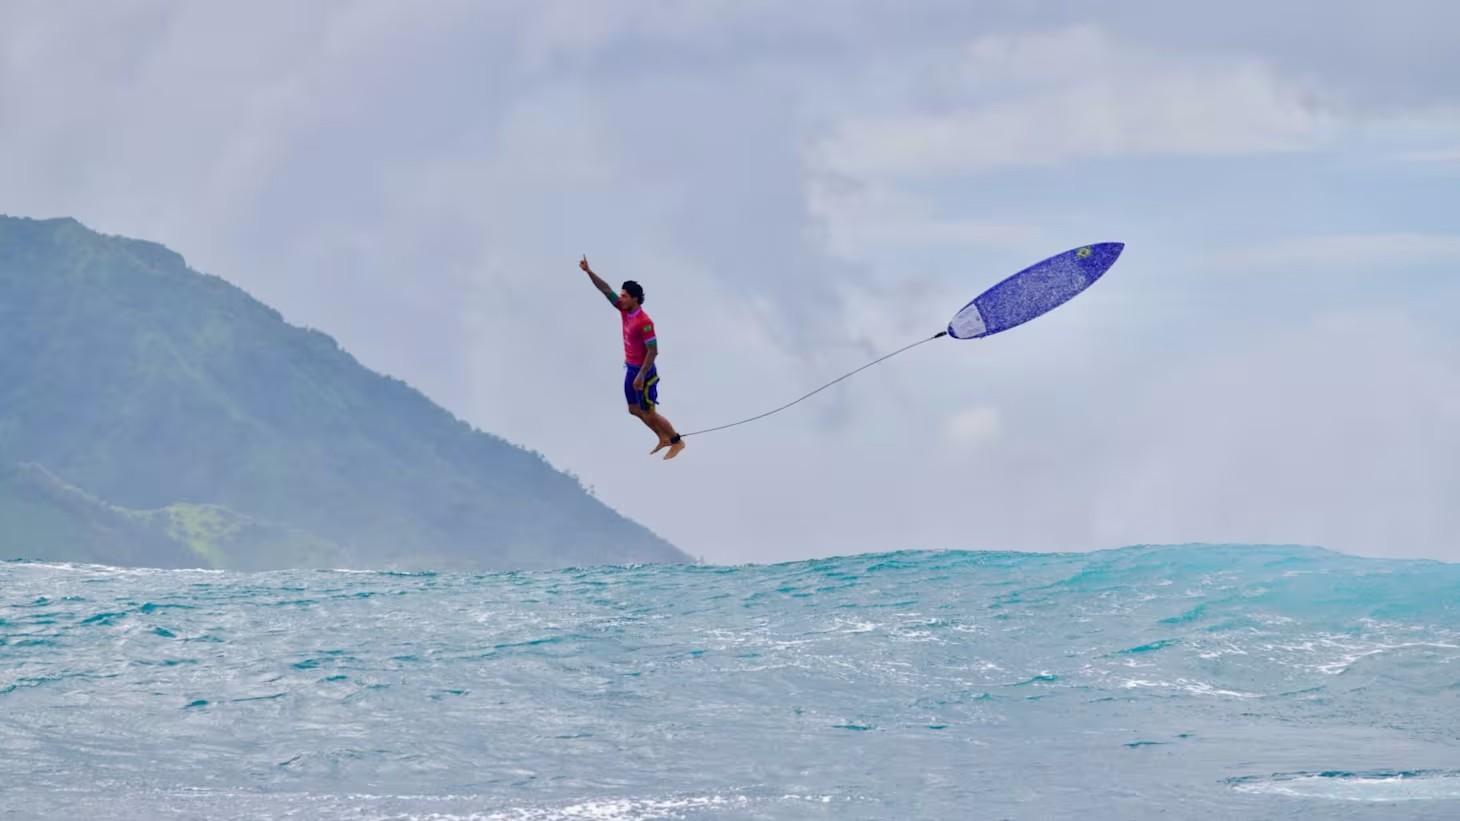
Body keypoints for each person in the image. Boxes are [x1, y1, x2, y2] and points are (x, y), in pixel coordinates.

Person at [579, 256, 686, 460]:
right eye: (621, 295)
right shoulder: (623, 309)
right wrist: (589, 272)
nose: (621, 299)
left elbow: (653, 351)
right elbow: (605, 289)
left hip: (644, 372)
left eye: (625, 296)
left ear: (635, 299)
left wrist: (641, 375)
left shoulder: (645, 322)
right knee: (634, 409)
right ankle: (661, 437)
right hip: (631, 368)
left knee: (649, 412)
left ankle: (676, 440)